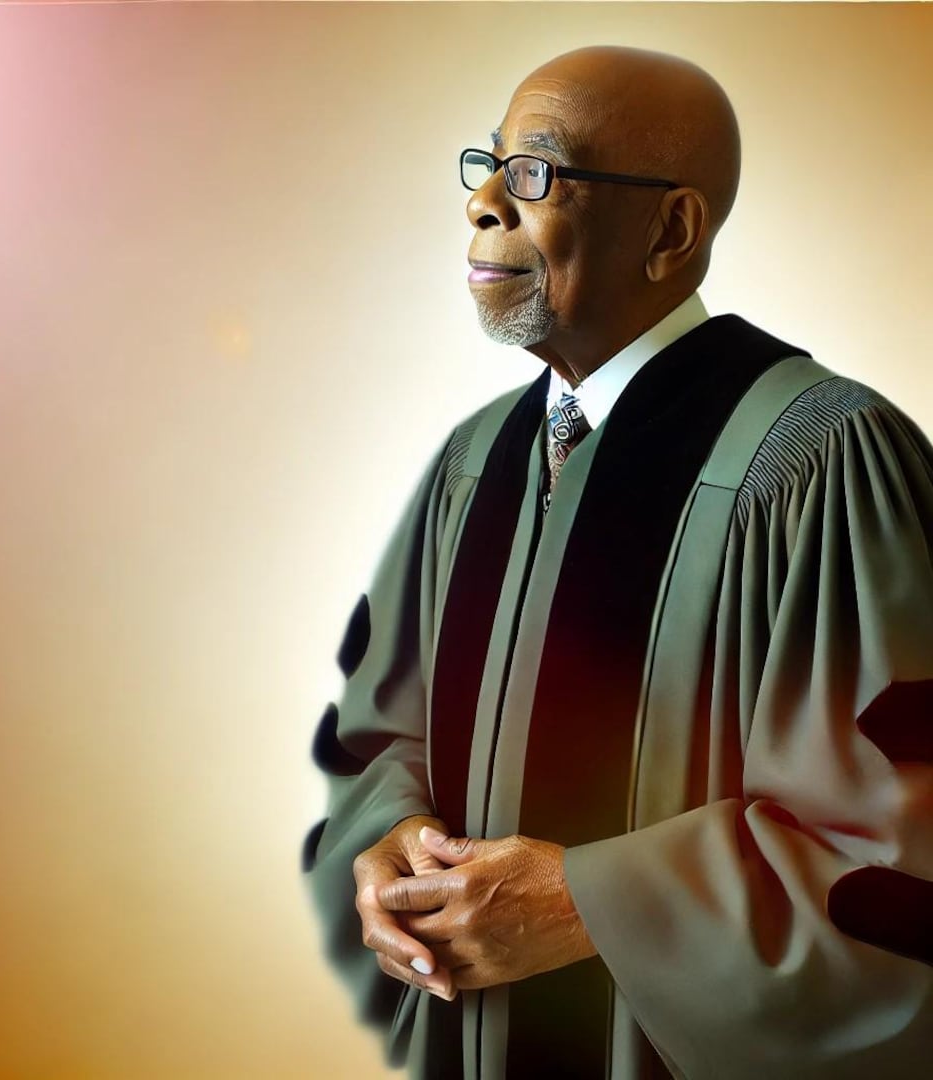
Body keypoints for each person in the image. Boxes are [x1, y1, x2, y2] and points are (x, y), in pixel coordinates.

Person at [302, 45, 933, 1079]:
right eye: (488, 165)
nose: (485, 207)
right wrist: (391, 840)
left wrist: (593, 905)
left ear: (671, 229)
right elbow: (381, 730)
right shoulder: (477, 459)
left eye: (537, 173)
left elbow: (897, 858)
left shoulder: (820, 460)